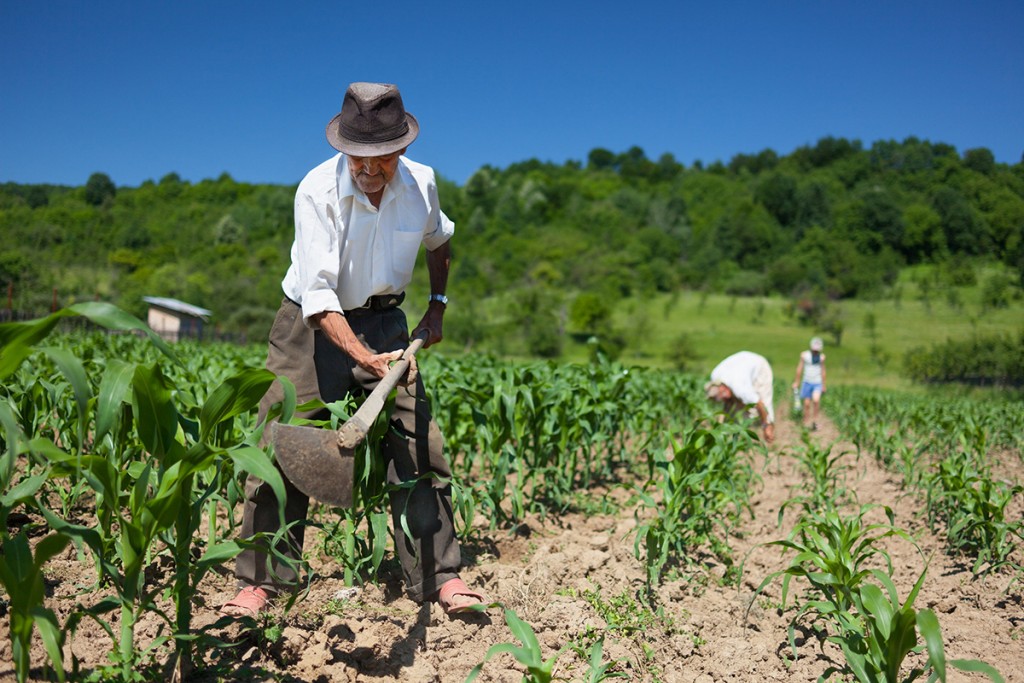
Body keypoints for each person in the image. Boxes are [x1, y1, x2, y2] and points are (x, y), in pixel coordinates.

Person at [221, 82, 483, 617]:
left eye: (379, 158)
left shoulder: (423, 185)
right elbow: (319, 297)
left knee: (417, 442)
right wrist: (362, 359)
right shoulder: (316, 191)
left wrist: (437, 303)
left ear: (400, 149)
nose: (366, 169)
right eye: (356, 157)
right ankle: (262, 579)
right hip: (309, 325)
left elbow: (440, 240)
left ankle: (438, 575)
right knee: (279, 438)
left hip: (388, 321)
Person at [704, 351, 775, 443]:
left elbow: (759, 403)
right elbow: (726, 403)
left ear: (723, 389)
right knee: (735, 410)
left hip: (759, 367)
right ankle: (733, 437)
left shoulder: (740, 388)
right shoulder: (715, 375)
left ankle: (769, 431)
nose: (722, 400)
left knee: (763, 404)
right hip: (743, 364)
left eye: (721, 397)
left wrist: (766, 425)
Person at [792, 337, 827, 431]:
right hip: (807, 382)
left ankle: (815, 420)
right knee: (807, 404)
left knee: (816, 400)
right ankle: (805, 421)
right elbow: (799, 368)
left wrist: (824, 384)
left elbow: (823, 371)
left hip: (817, 382)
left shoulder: (821, 358)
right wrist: (797, 381)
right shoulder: (804, 355)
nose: (815, 352)